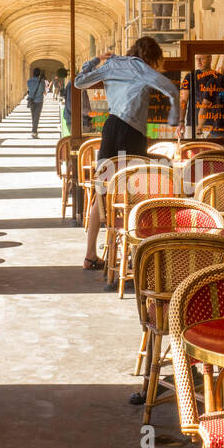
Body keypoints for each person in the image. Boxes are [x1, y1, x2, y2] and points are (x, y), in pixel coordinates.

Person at [73, 35, 180, 271]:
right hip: (131, 132)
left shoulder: (111, 64)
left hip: (110, 129)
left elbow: (79, 82)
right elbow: (170, 88)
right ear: (152, 57)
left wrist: (95, 60)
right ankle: (134, 253)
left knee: (102, 192)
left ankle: (91, 254)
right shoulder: (142, 68)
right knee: (137, 191)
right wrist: (174, 118)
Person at [25, 67, 46, 138]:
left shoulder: (29, 81)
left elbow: (29, 89)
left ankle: (34, 131)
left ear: (33, 73)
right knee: (36, 117)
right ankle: (34, 132)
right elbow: (43, 91)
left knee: (33, 116)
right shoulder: (42, 82)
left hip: (31, 100)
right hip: (39, 100)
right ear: (39, 74)